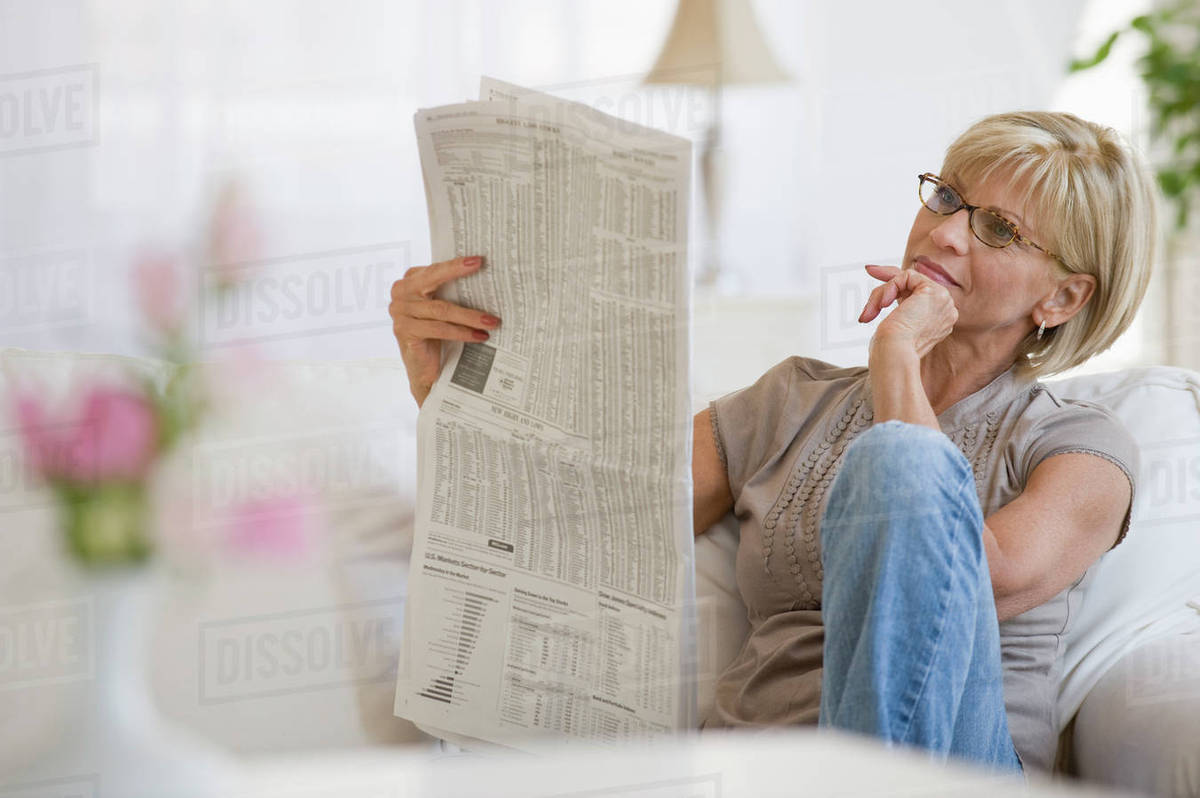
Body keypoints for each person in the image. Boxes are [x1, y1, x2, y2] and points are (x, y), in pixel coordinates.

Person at [388, 111, 1158, 776]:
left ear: (1062, 297)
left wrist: (896, 356)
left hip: (958, 773)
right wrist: (443, 388)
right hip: (761, 769)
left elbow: (964, 575)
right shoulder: (789, 400)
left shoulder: (1080, 445)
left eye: (997, 230)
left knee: (896, 465)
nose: (946, 232)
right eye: (950, 197)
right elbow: (585, 527)